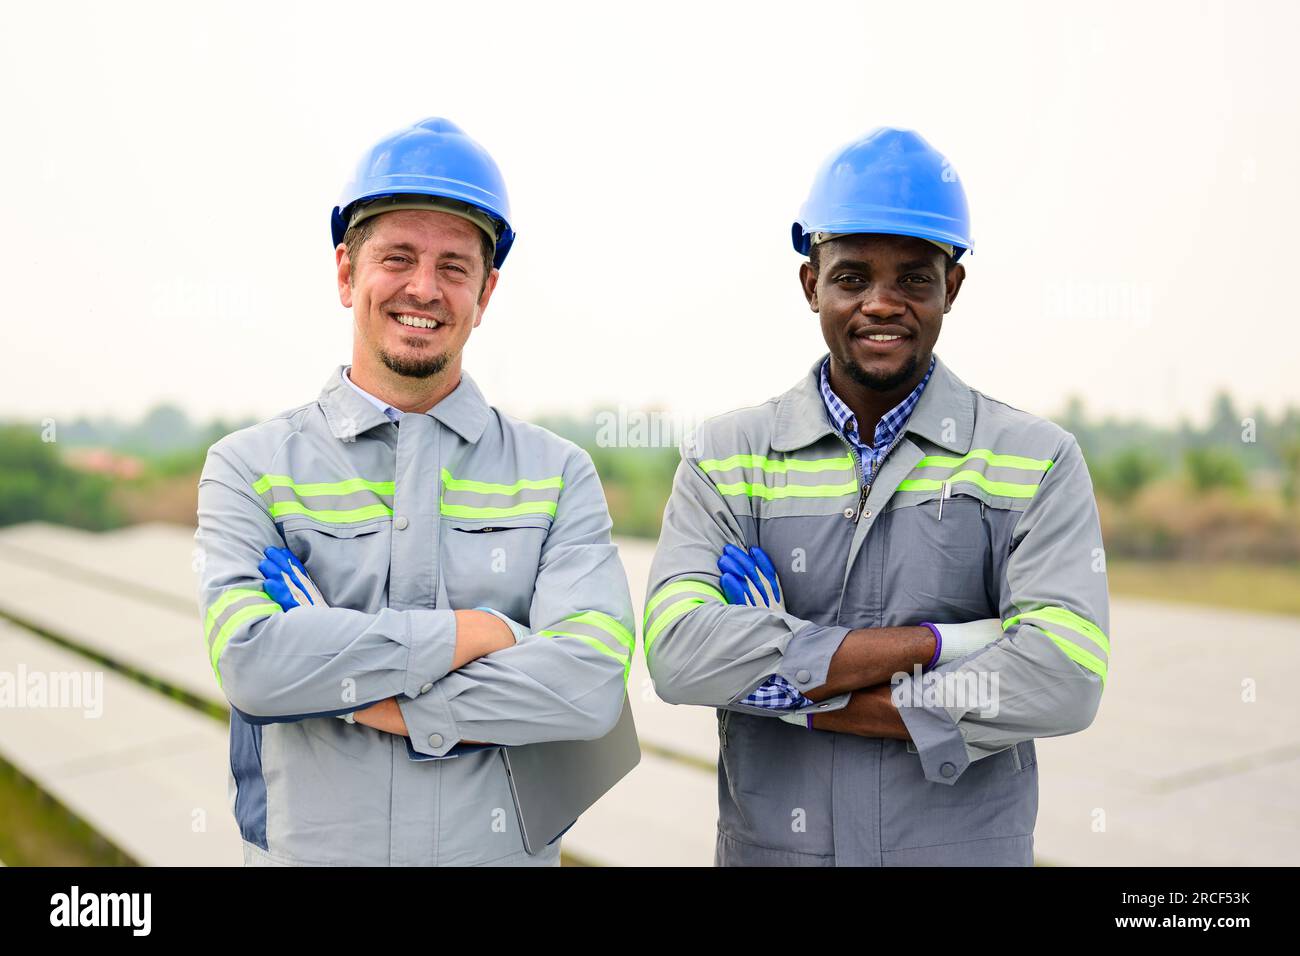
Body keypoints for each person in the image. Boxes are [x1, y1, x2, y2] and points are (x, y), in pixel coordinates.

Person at [643, 127, 1110, 866]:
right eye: (853, 277)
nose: (883, 305)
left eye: (914, 280)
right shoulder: (728, 456)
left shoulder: (1035, 460)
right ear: (811, 285)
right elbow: (678, 656)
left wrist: (799, 692)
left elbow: (1065, 675)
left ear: (951, 288)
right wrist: (939, 644)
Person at [194, 117, 635, 866]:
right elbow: (254, 664)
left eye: (454, 267)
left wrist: (370, 696)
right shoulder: (249, 467)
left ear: (485, 291)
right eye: (397, 258)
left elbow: (588, 686)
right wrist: (481, 632)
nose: (424, 289)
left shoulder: (557, 475)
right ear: (345, 273)